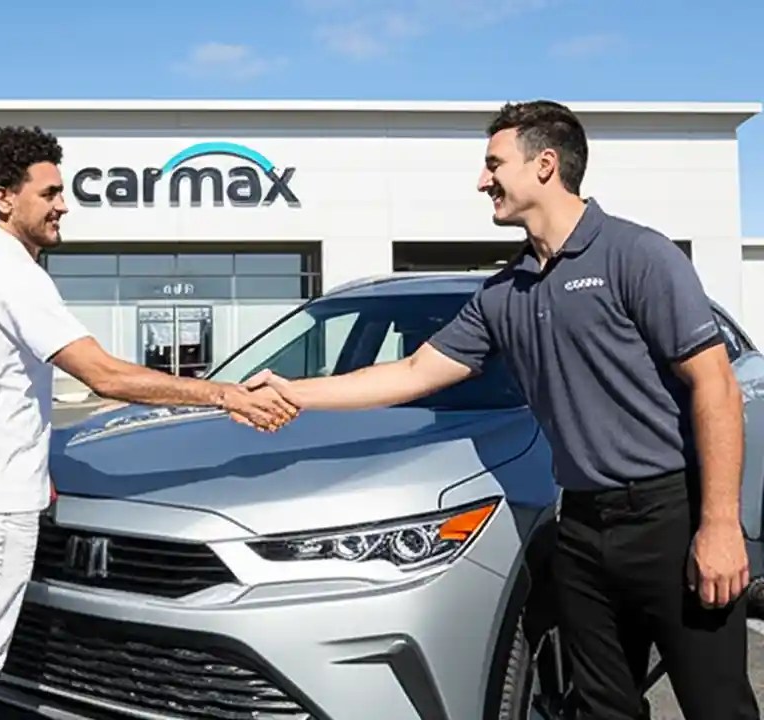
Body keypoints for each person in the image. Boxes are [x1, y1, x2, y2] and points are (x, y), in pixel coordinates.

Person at [250, 100, 758, 719]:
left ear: (545, 165)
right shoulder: (503, 294)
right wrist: (293, 392)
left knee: (716, 705)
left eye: (494, 163)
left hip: (670, 519)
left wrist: (721, 526)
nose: (481, 180)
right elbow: (412, 372)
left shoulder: (637, 256)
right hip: (582, 529)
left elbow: (716, 386)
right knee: (601, 709)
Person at [0, 125, 299, 717]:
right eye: (49, 193)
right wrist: (226, 395)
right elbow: (104, 375)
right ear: (4, 198)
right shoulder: (10, 273)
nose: (63, 204)